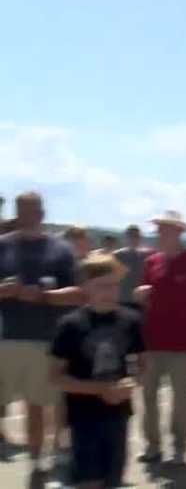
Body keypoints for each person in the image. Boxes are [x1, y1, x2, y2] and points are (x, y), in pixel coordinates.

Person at [0, 192, 84, 479]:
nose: (26, 215)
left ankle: (36, 463)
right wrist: (5, 291)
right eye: (21, 209)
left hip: (44, 340)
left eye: (31, 210)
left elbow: (77, 293)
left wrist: (45, 296)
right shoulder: (2, 246)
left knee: (36, 406)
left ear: (42, 213)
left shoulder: (60, 250)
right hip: (4, 339)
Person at [49, 254, 143, 489]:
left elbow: (143, 365)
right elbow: (55, 376)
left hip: (119, 415)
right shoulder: (70, 324)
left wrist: (131, 383)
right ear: (86, 287)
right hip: (83, 416)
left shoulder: (130, 320)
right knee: (88, 480)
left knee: (113, 479)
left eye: (114, 285)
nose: (109, 292)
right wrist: (99, 389)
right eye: (102, 286)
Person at [133, 210, 186, 464]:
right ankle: (152, 447)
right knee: (148, 397)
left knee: (182, 400)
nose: (159, 233)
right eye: (158, 228)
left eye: (164, 228)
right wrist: (138, 295)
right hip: (151, 341)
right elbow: (142, 298)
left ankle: (179, 448)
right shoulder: (151, 262)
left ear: (178, 232)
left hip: (183, 344)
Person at [113, 225, 150, 306]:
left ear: (140, 238)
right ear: (126, 237)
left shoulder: (147, 256)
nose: (133, 239)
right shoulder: (117, 256)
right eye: (131, 236)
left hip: (141, 302)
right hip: (121, 300)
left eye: (136, 236)